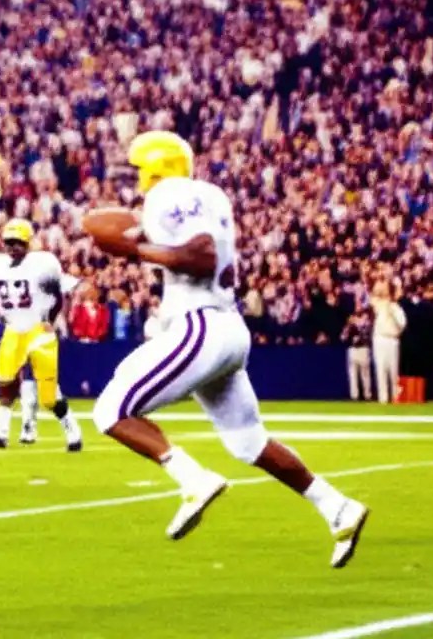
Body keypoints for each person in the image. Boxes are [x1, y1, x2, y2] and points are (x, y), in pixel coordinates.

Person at [88, 130, 369, 569]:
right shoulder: (208, 194)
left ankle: (193, 478)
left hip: (199, 325)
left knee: (110, 410)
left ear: (156, 168)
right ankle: (336, 506)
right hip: (226, 327)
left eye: (141, 169)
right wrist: (130, 236)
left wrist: (138, 249)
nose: (140, 178)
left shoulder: (170, 193)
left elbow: (199, 256)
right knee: (247, 441)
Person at [0, 218, 83, 451]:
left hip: (37, 327)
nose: (12, 247)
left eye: (18, 242)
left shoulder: (43, 263)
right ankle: (2, 431)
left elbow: (59, 295)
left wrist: (51, 320)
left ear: (27, 242)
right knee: (5, 382)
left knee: (48, 396)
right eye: (9, 242)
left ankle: (72, 429)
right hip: (13, 328)